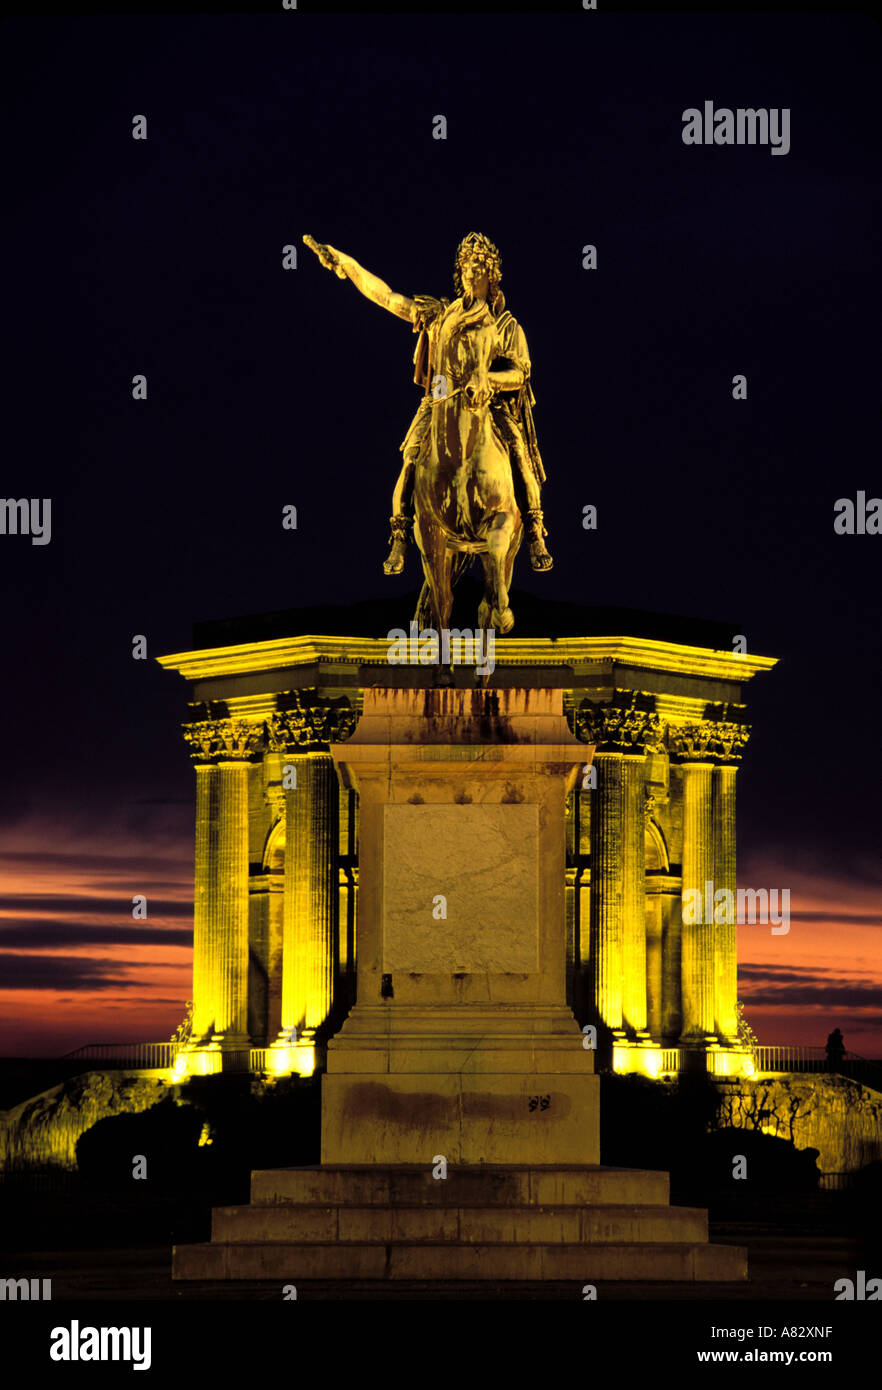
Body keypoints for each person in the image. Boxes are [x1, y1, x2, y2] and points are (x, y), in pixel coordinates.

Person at [303, 231, 553, 576]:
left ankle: (535, 529)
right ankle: (400, 533)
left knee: (518, 451)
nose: (471, 272)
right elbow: (388, 298)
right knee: (411, 456)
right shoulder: (438, 316)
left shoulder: (506, 326)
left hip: (489, 405)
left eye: (479, 265)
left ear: (491, 274)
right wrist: (345, 264)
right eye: (466, 265)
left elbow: (520, 373)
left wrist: (489, 380)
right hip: (438, 401)